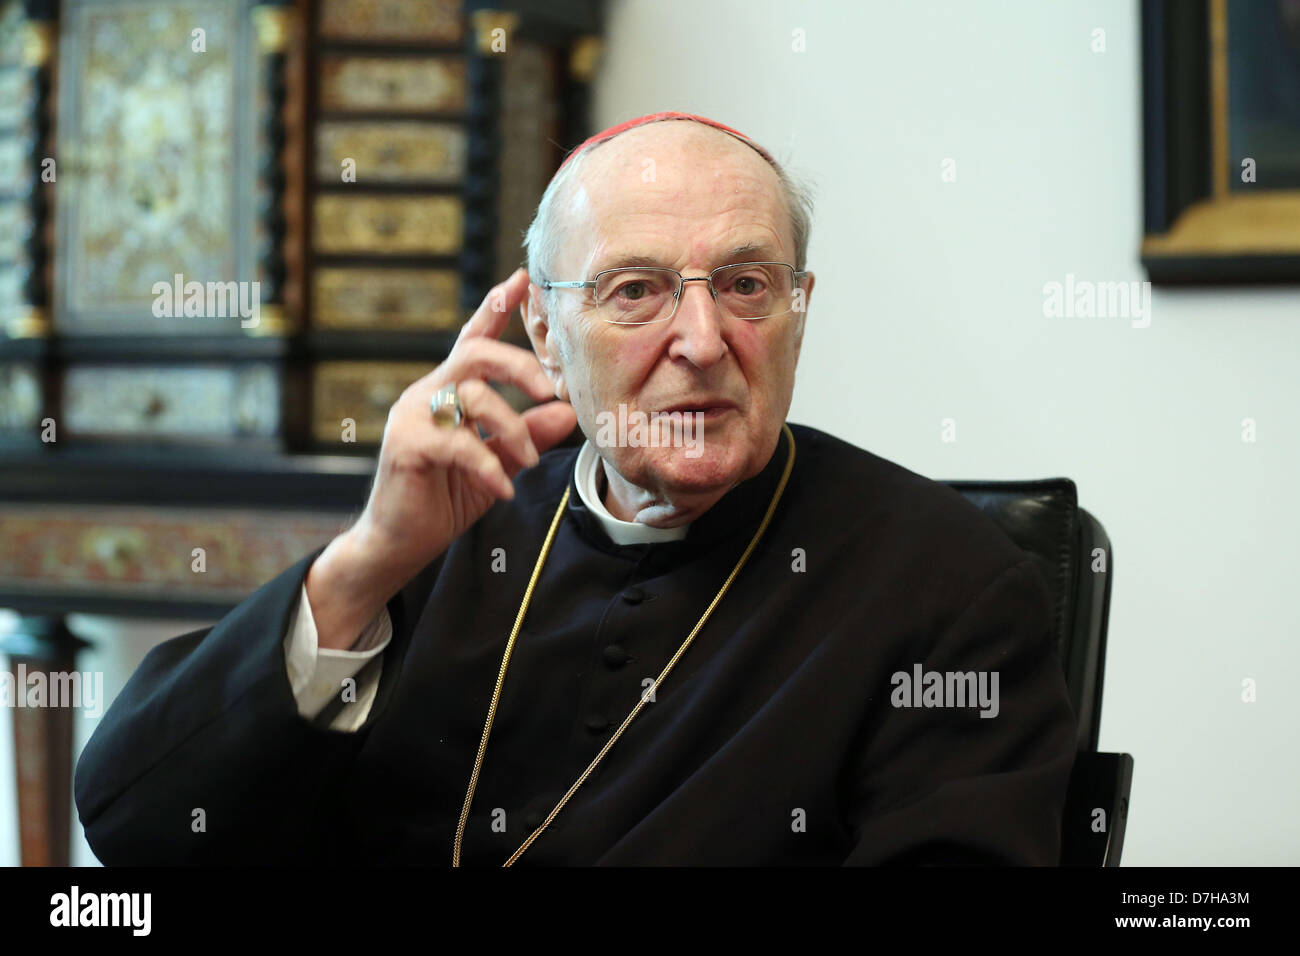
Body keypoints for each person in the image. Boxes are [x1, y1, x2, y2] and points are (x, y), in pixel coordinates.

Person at [74, 112, 1077, 865]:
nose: (699, 339)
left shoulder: (947, 586)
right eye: (634, 289)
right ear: (545, 334)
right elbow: (136, 824)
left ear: (796, 316)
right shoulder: (450, 527)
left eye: (745, 284)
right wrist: (368, 559)